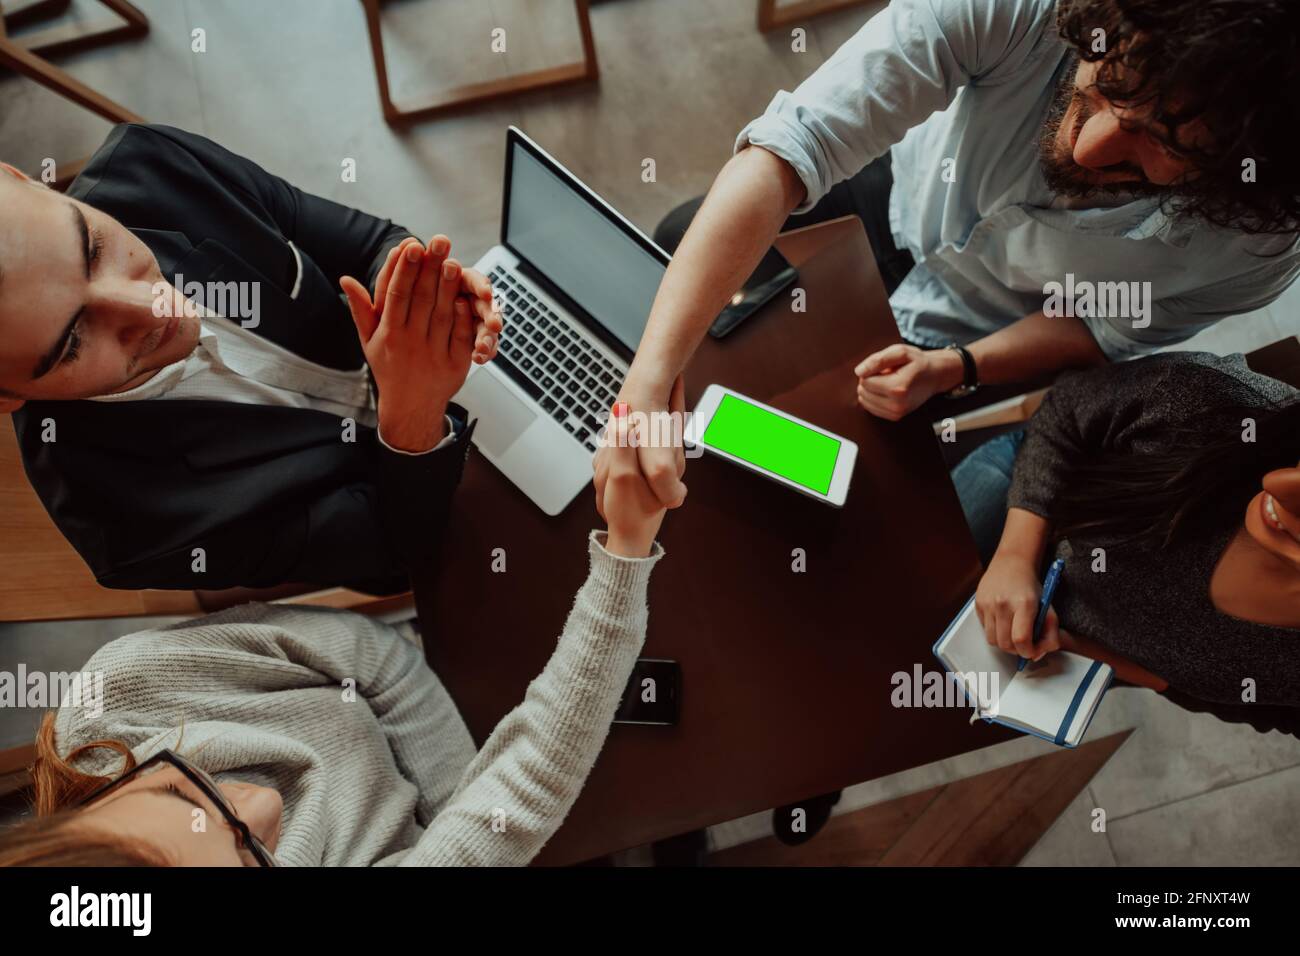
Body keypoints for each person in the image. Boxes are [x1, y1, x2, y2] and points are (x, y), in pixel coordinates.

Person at [602, 0, 1300, 514]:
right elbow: (793, 145)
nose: (1090, 149)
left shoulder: (1257, 245)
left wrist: (960, 368)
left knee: (845, 491)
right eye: (1111, 83)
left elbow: (1102, 331)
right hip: (886, 197)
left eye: (1161, 149)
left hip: (980, 335)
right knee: (678, 239)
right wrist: (649, 381)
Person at [0, 399, 674, 867]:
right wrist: (627, 548)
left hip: (426, 690)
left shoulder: (117, 697)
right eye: (251, 857)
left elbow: (361, 651)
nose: (260, 805)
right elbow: (527, 788)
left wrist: (454, 809)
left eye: (180, 788)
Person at [0, 123, 503, 594]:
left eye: (92, 247)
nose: (153, 308)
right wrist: (413, 414)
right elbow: (396, 560)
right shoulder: (130, 530)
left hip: (476, 372)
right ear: (7, 398)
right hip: (439, 508)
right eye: (72, 342)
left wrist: (419, 290)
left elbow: (367, 244)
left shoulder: (152, 165)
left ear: (23, 180)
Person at [968, 351, 1300, 734]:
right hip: (1026, 498)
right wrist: (1014, 557)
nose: (1278, 484)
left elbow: (1250, 706)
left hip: (1054, 648)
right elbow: (1065, 411)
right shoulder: (1213, 401)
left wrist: (1079, 649)